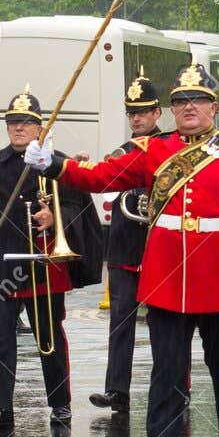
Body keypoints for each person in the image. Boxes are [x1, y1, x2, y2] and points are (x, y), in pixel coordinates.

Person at [25, 64, 219, 437]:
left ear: (213, 107)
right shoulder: (154, 152)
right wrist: (54, 164)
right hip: (167, 281)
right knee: (165, 372)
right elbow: (101, 177)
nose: (188, 108)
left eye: (196, 100)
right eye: (180, 102)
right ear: (172, 110)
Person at [0, 87, 104, 431]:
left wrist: (56, 219)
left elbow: (80, 211)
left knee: (49, 339)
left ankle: (60, 403)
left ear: (40, 127)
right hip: (1, 271)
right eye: (12, 122)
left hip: (44, 268)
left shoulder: (60, 165)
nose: (18, 127)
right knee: (0, 339)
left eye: (25, 122)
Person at [89, 70, 161, 413]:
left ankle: (176, 388)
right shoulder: (121, 151)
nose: (137, 117)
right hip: (124, 246)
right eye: (132, 111)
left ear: (157, 113)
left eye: (144, 111)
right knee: (121, 322)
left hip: (161, 248)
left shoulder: (170, 148)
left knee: (167, 327)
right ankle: (117, 390)